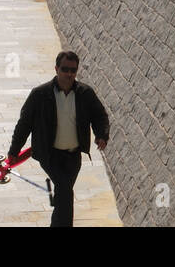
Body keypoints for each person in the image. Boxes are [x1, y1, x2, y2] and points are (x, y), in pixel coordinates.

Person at [8, 51, 109, 228]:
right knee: (64, 191)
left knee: (64, 195)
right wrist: (14, 151)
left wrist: (102, 135)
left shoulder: (85, 94)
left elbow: (100, 116)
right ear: (56, 69)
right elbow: (24, 124)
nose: (69, 74)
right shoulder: (39, 95)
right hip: (50, 156)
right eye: (65, 69)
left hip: (73, 156)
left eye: (73, 70)